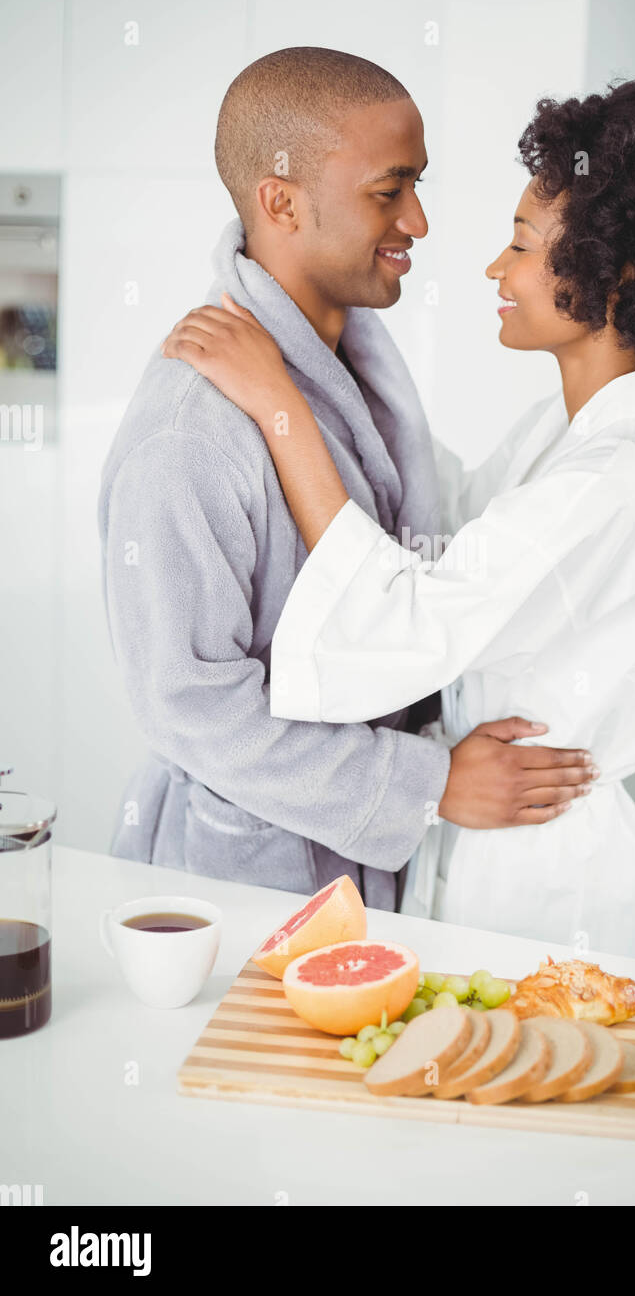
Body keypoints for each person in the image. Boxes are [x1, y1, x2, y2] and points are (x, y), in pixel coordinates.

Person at [163, 79, 635, 957]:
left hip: (536, 871)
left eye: (522, 245)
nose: (497, 267)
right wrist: (347, 367)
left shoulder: (606, 482)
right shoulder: (573, 432)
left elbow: (404, 613)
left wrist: (282, 409)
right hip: (483, 839)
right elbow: (447, 519)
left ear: (619, 275)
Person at [97, 47, 596, 910]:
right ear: (281, 200)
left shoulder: (354, 380)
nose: (421, 222)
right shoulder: (192, 432)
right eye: (388, 190)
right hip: (246, 886)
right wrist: (425, 784)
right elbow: (187, 705)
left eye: (418, 185)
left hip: (372, 874)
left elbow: (426, 572)